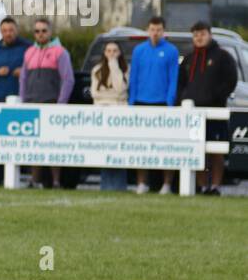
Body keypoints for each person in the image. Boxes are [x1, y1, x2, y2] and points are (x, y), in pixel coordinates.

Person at [179, 21, 239, 195]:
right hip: (193, 114)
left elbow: (231, 80)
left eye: (202, 34)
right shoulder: (189, 59)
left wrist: (217, 96)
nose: (199, 38)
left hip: (215, 111)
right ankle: (202, 185)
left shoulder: (222, 56)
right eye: (196, 35)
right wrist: (183, 98)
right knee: (197, 151)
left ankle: (215, 186)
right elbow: (181, 82)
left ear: (209, 35)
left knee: (216, 151)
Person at [19, 18, 73, 189]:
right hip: (32, 103)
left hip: (51, 103)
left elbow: (67, 79)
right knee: (34, 145)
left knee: (53, 144)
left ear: (50, 32)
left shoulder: (60, 52)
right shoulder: (29, 52)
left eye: (44, 30)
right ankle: (35, 180)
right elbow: (23, 78)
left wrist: (60, 103)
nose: (40, 34)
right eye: (37, 31)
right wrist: (23, 99)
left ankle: (56, 181)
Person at [128, 16, 179, 194]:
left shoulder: (171, 51)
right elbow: (133, 77)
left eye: (158, 30)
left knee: (165, 146)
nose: (155, 33)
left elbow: (173, 79)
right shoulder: (139, 51)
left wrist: (169, 102)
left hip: (162, 104)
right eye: (152, 29)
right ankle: (142, 182)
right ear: (147, 30)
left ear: (163, 31)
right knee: (141, 145)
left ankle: (166, 184)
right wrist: (131, 101)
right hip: (141, 102)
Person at [0, 16, 31, 183]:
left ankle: (19, 177)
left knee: (15, 141)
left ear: (16, 30)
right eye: (4, 31)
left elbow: (35, 68)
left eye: (11, 30)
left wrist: (23, 71)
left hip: (18, 101)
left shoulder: (27, 47)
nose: (8, 34)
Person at [89, 40, 129, 191]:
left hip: (120, 116)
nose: (111, 54)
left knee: (118, 150)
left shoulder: (125, 69)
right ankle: (105, 185)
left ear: (120, 53)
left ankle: (119, 186)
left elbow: (120, 89)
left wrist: (114, 66)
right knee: (105, 149)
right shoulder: (97, 70)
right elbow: (95, 93)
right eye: (108, 51)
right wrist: (110, 98)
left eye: (115, 51)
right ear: (104, 53)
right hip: (102, 115)